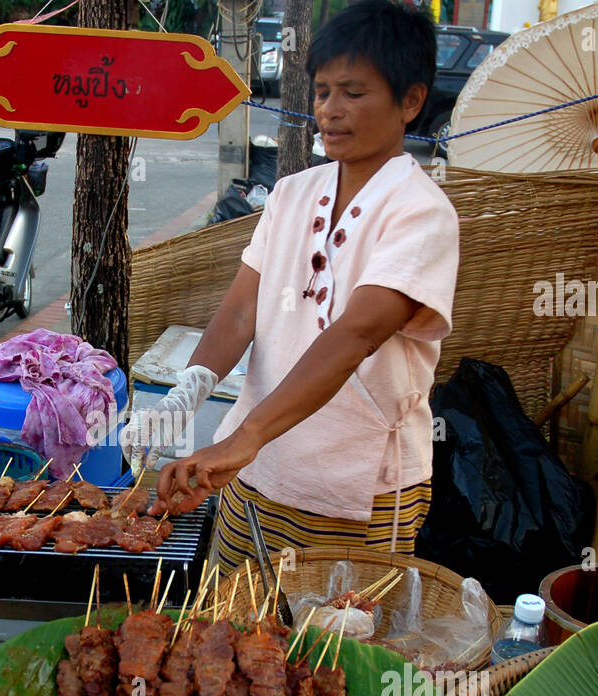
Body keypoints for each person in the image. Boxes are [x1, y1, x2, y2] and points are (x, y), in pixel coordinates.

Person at [126, 0, 459, 570]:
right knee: (228, 632)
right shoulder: (292, 194)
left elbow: (356, 333)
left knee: (328, 643)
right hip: (252, 472)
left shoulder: (421, 213)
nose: (331, 110)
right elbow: (238, 314)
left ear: (411, 101)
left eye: (354, 93)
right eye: (323, 92)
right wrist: (188, 393)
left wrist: (245, 435)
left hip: (356, 489)